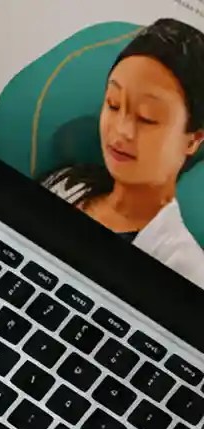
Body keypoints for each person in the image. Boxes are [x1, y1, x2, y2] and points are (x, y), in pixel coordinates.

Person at [41, 18, 204, 287]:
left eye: (147, 118)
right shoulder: (66, 185)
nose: (122, 130)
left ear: (193, 139)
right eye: (113, 105)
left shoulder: (187, 272)